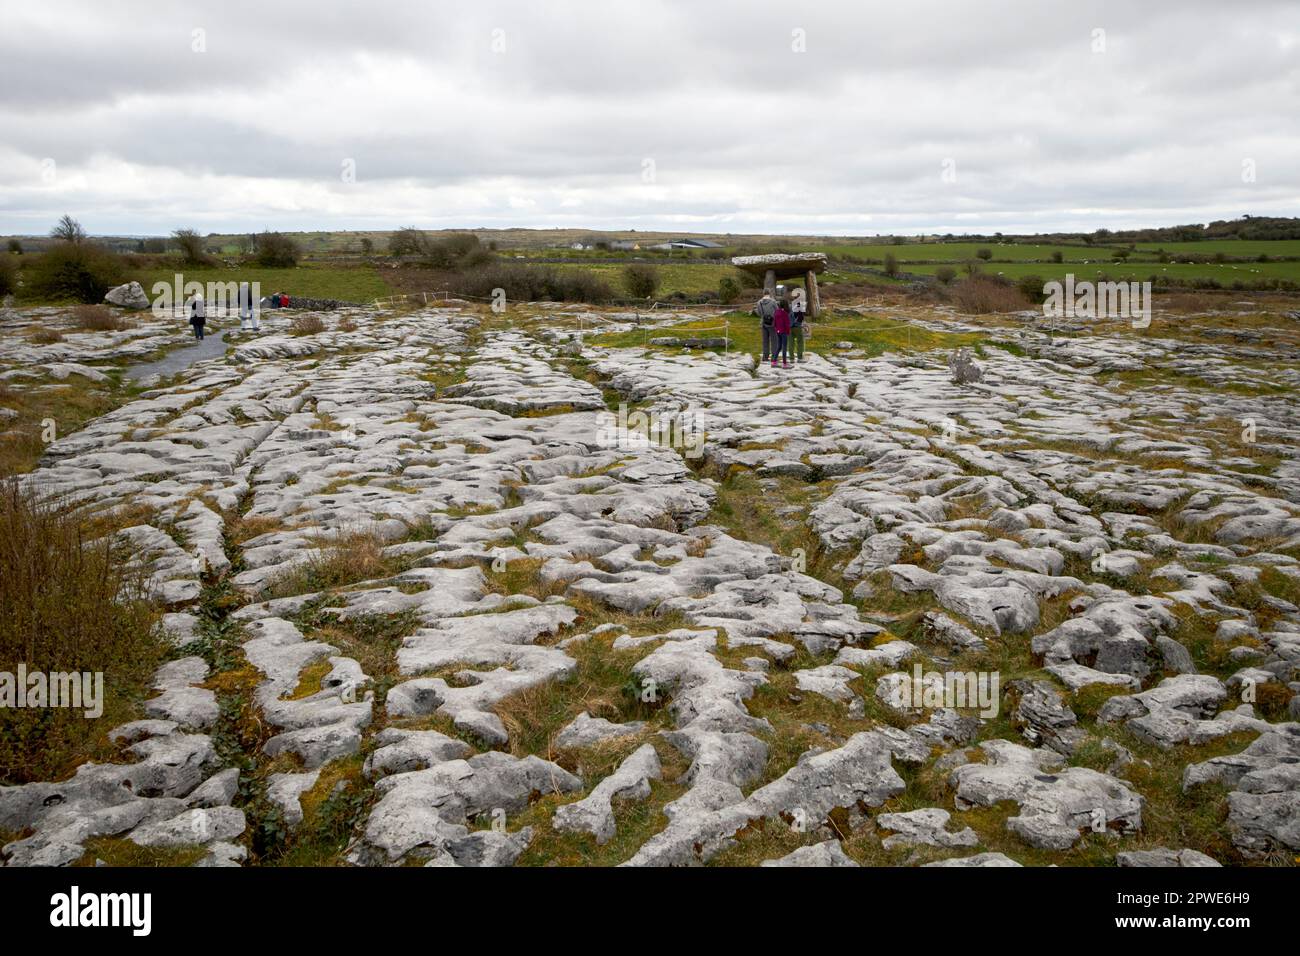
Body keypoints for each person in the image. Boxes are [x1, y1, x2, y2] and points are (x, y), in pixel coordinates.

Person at [756, 291, 777, 362]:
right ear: (769, 294)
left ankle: (765, 356)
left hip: (763, 323)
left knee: (765, 341)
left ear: (763, 294)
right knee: (774, 340)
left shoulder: (759, 302)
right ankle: (774, 357)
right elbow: (777, 311)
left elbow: (759, 313)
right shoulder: (773, 302)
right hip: (772, 323)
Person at [772, 299, 791, 369]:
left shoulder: (776, 312)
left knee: (779, 346)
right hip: (784, 332)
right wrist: (788, 332)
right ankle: (784, 364)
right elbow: (787, 324)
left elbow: (775, 323)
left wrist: (777, 329)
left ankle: (774, 362)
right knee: (784, 347)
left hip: (778, 331)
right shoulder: (785, 313)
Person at [790, 287, 807, 361]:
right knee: (800, 342)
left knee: (791, 342)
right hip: (798, 325)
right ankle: (799, 357)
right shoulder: (801, 303)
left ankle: (791, 358)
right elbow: (802, 315)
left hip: (790, 326)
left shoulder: (791, 304)